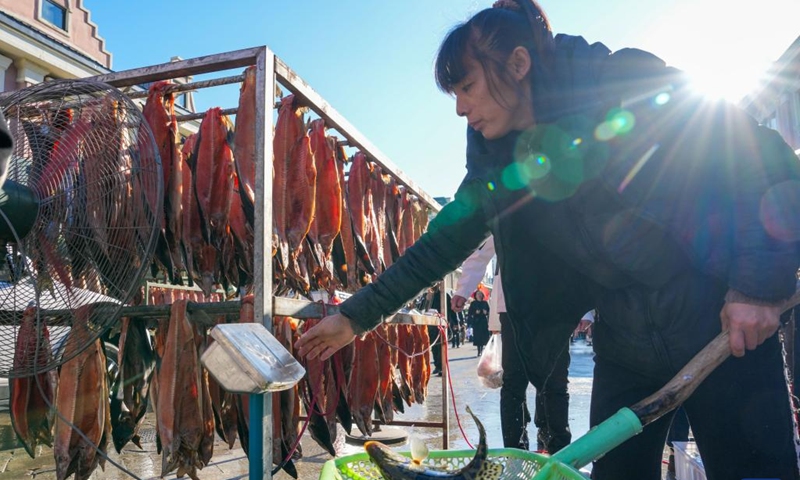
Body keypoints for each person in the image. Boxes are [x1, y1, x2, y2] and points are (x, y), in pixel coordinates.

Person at [297, 1, 800, 478]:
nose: (460, 109)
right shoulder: (499, 164)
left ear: (519, 63)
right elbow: (442, 244)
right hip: (624, 343)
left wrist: (756, 288)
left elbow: (762, 156)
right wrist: (355, 317)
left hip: (720, 324)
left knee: (755, 472)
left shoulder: (623, 84)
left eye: (468, 87)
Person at [453, 236, 571, 452]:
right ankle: (515, 450)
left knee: (555, 380)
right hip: (513, 304)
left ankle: (558, 447)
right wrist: (463, 289)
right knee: (514, 381)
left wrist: (585, 310)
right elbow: (480, 252)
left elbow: (579, 253)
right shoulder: (504, 215)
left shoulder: (566, 215)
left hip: (557, 305)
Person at [467, 290, 491, 355]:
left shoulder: (485, 303)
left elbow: (489, 311)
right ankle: (479, 350)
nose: (479, 295)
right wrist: (475, 312)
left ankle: (482, 349)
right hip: (476, 322)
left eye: (480, 294)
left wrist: (486, 312)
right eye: (478, 294)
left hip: (483, 321)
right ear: (476, 296)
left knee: (483, 336)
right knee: (478, 336)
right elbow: (470, 312)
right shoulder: (473, 303)